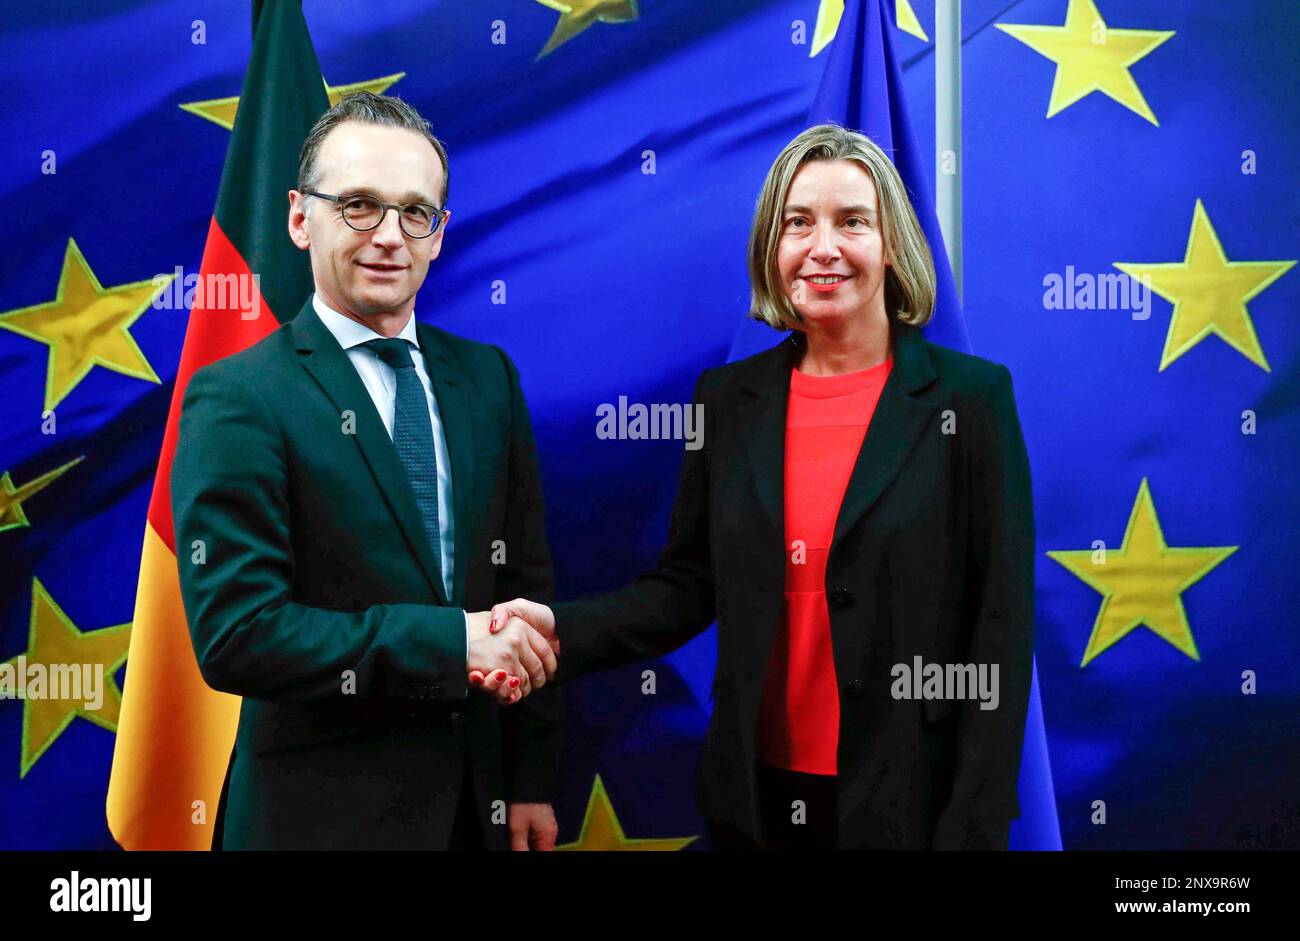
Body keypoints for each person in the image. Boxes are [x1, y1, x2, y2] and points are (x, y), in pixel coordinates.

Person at [487, 123, 1035, 850]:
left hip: (915, 804)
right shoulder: (726, 400)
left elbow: (999, 628)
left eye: (852, 222)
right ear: (771, 251)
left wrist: (973, 823)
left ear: (893, 244)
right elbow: (686, 585)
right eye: (798, 223)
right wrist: (562, 630)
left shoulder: (970, 401)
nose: (824, 247)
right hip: (755, 800)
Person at [171, 92, 560, 850]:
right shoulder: (238, 397)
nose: (389, 236)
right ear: (298, 216)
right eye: (358, 205)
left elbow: (527, 595)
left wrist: (530, 780)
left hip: (476, 814)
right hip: (318, 824)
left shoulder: (488, 380)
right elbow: (239, 633)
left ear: (439, 234)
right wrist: (450, 644)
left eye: (416, 212)